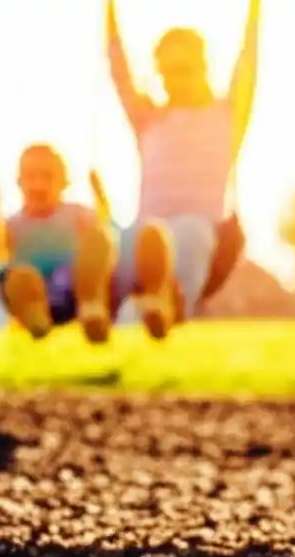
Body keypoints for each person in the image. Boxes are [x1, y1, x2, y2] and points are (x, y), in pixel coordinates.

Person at [105, 0, 261, 339]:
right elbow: (119, 70)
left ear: (204, 66)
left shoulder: (226, 115)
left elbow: (248, 60)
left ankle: (171, 306)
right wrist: (109, 11)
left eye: (183, 69)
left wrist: (254, 10)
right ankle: (115, 315)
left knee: (189, 233)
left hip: (202, 231)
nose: (174, 80)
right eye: (166, 72)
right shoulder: (148, 119)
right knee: (125, 241)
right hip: (145, 229)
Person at [0, 143, 119, 342]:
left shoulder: (76, 214)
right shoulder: (11, 224)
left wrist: (98, 193)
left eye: (47, 176)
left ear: (64, 182)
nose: (39, 185)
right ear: (19, 182)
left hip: (73, 292)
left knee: (98, 237)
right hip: (34, 293)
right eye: (30, 177)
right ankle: (35, 318)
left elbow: (104, 231)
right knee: (12, 277)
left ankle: (92, 309)